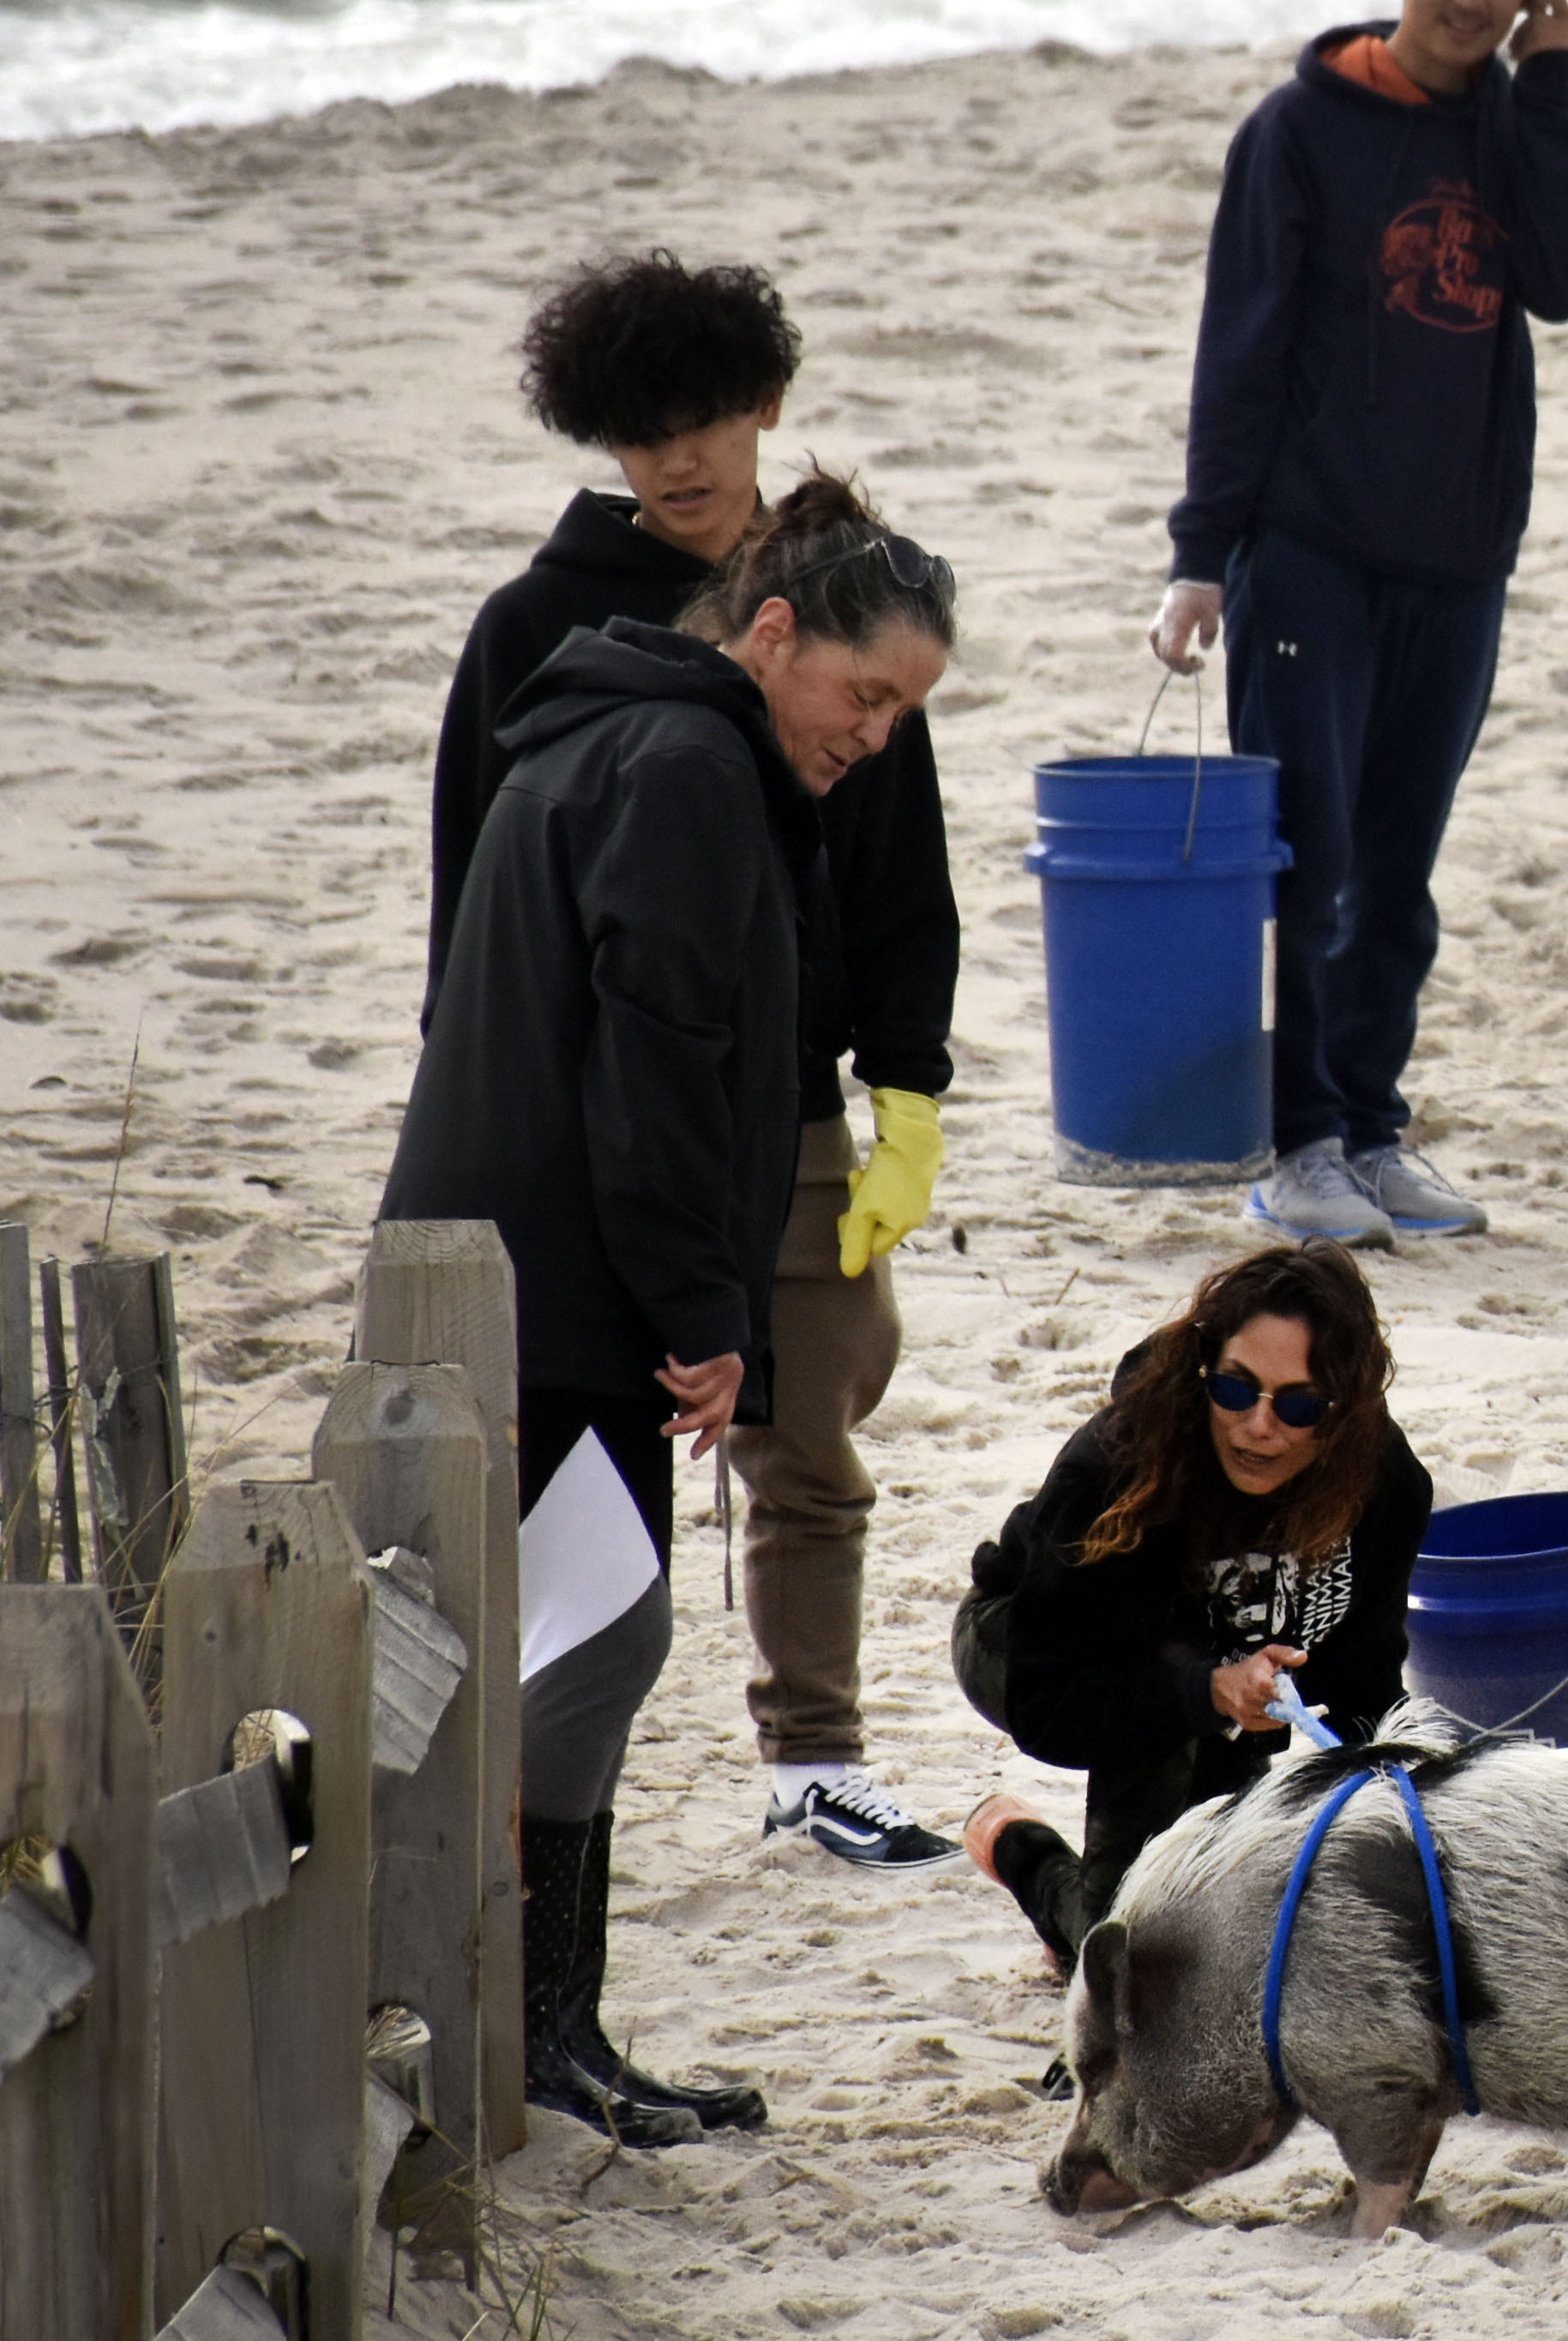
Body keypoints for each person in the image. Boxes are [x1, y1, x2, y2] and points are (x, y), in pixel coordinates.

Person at [381, 473, 958, 2141]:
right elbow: (659, 1067)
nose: (876, 734)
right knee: (592, 1636)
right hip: (554, 1290)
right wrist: (708, 1315)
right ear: (772, 633)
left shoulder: (627, 729)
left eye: (906, 708)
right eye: (865, 693)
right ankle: (535, 2025)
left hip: (504, 1265)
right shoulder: (692, 768)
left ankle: (557, 2025)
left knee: (575, 1636)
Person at [433, 251, 969, 1872]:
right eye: (636, 427)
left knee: (812, 1432)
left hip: (790, 1109)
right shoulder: (534, 622)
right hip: (597, 1108)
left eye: (707, 420)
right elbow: (478, 908)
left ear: (766, 409)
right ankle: (526, 1803)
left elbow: (902, 871)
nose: (676, 458)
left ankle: (815, 1754)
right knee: (576, 1469)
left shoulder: (857, 619)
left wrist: (910, 1093)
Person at [1145, 0, 1568, 1247]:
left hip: (1459, 558)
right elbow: (1238, 354)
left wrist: (1551, 88)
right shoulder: (1295, 132)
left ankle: (1366, 1124)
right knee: (1314, 859)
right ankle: (1295, 1142)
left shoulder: (1510, 119)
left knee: (1399, 866)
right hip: (1308, 551)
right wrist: (1199, 553)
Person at [955, 1242, 1433, 1966]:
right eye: (1236, 1390)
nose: (1259, 1425)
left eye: (1299, 1404)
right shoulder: (1116, 1468)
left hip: (1228, 1681)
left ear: (1343, 1415)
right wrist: (1206, 1692)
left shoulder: (1385, 1484)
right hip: (1030, 1644)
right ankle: (1033, 1864)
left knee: (1222, 1913)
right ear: (1205, 1372)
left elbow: (1361, 1677)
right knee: (1144, 1949)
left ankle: (1043, 1867)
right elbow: (1050, 1703)